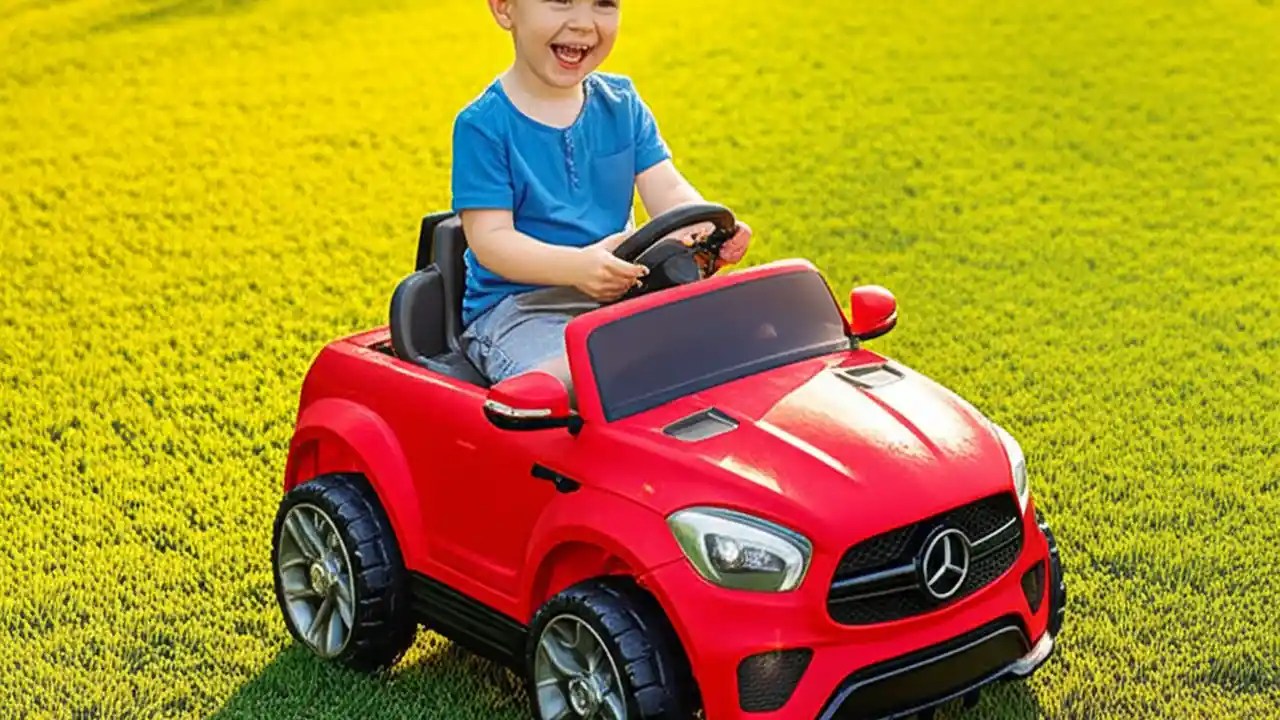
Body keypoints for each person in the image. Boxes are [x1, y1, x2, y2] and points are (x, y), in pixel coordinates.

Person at [451, 0, 751, 383]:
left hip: (623, 296)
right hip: (521, 311)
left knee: (743, 340)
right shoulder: (483, 126)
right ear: (505, 8)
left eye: (604, 3)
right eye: (561, 2)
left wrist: (709, 227)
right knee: (589, 378)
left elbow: (669, 190)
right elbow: (491, 241)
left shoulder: (622, 105)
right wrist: (577, 267)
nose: (583, 23)